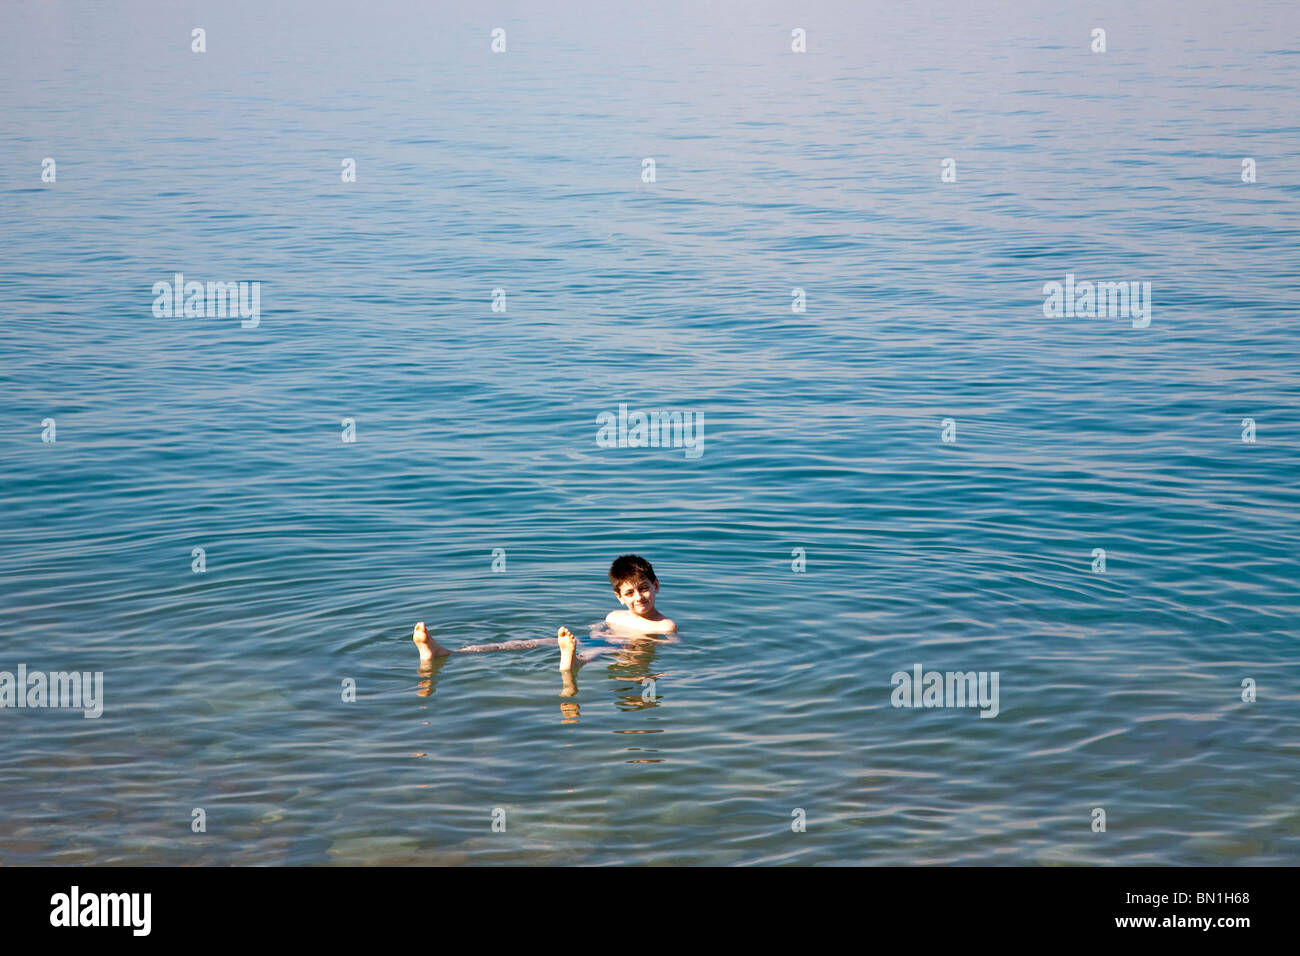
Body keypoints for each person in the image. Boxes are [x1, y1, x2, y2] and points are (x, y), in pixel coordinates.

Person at [412, 554, 677, 676]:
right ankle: (447, 652)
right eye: (629, 593)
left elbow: (674, 648)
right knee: (525, 643)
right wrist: (597, 632)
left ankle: (572, 661)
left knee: (595, 653)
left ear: (656, 585)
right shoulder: (615, 615)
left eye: (643, 589)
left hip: (622, 649)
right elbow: (600, 627)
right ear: (619, 597)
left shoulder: (665, 626)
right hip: (594, 640)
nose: (638, 597)